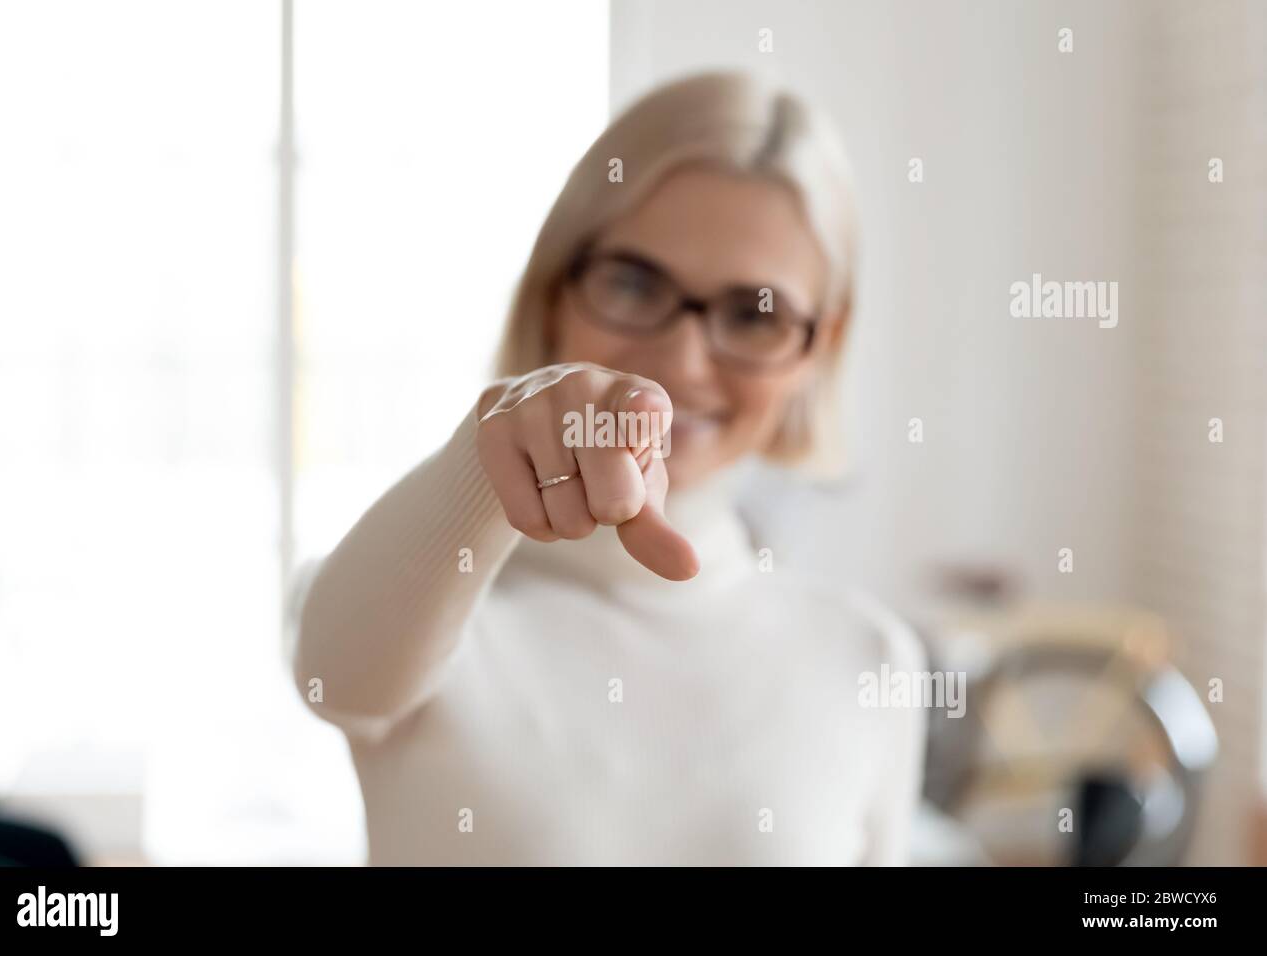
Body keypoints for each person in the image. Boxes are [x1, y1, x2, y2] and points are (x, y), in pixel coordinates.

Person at [292, 70, 926, 865]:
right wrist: (484, 464)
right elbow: (337, 677)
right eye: (633, 282)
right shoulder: (422, 601)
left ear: (820, 345)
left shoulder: (867, 658)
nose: (678, 362)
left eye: (752, 312)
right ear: (555, 290)